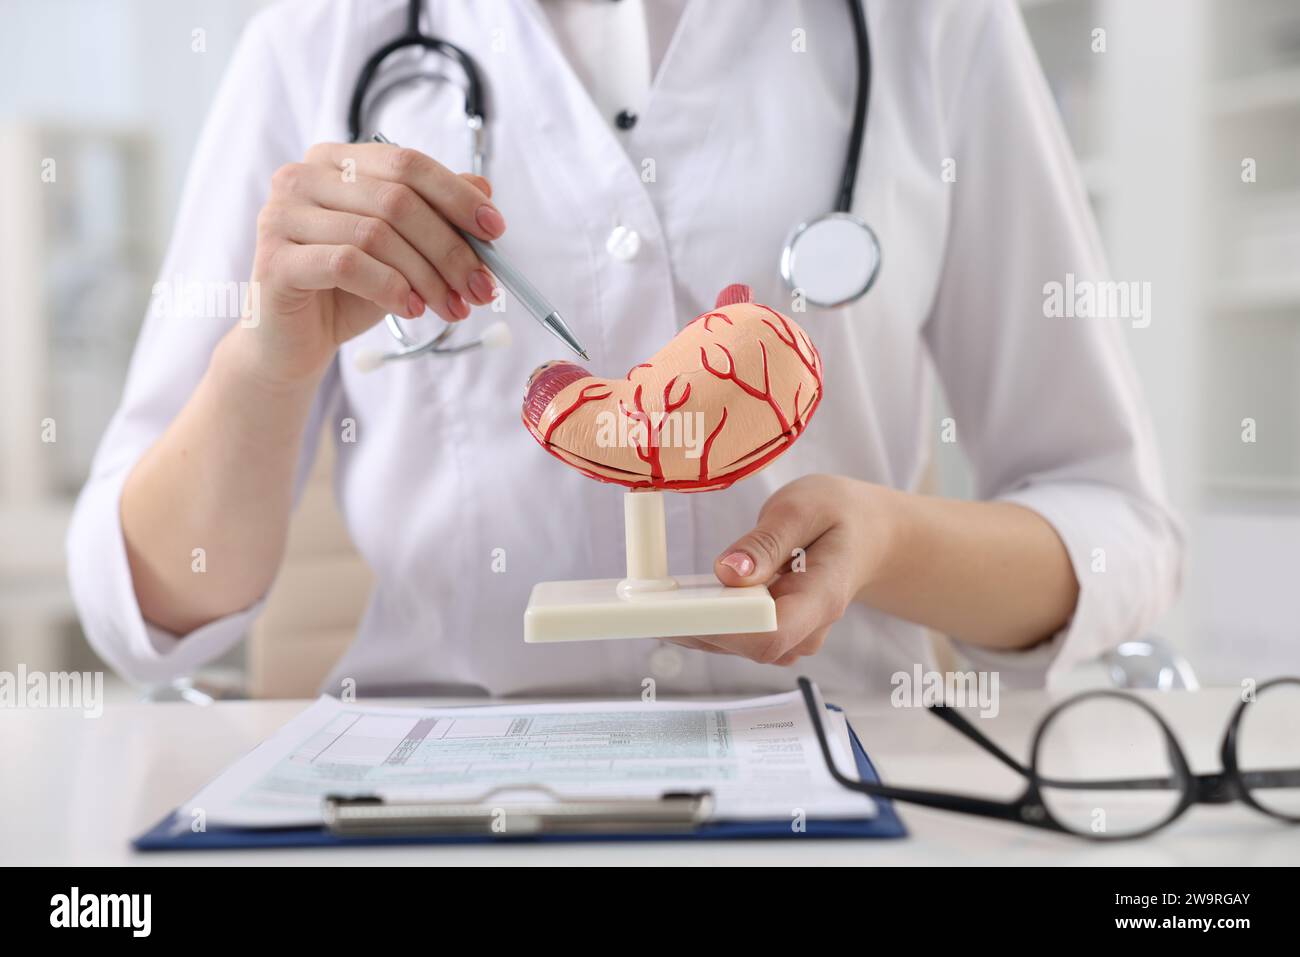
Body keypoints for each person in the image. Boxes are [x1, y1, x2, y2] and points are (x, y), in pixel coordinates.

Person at [67, 0, 1182, 697]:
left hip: (842, 786)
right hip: (442, 810)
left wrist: (886, 543)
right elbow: (142, 609)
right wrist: (271, 360)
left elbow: (1111, 522)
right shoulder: (317, 42)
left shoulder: (928, 26)